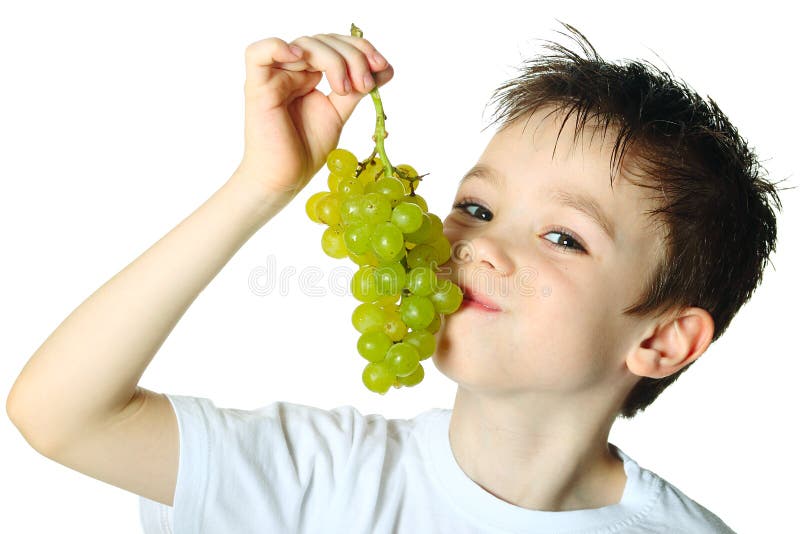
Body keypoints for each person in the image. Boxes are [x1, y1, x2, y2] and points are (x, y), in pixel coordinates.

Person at [6, 22, 781, 533]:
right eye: (475, 206)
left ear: (663, 340)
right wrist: (261, 184)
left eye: (561, 235)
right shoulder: (317, 473)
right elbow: (59, 414)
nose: (479, 246)